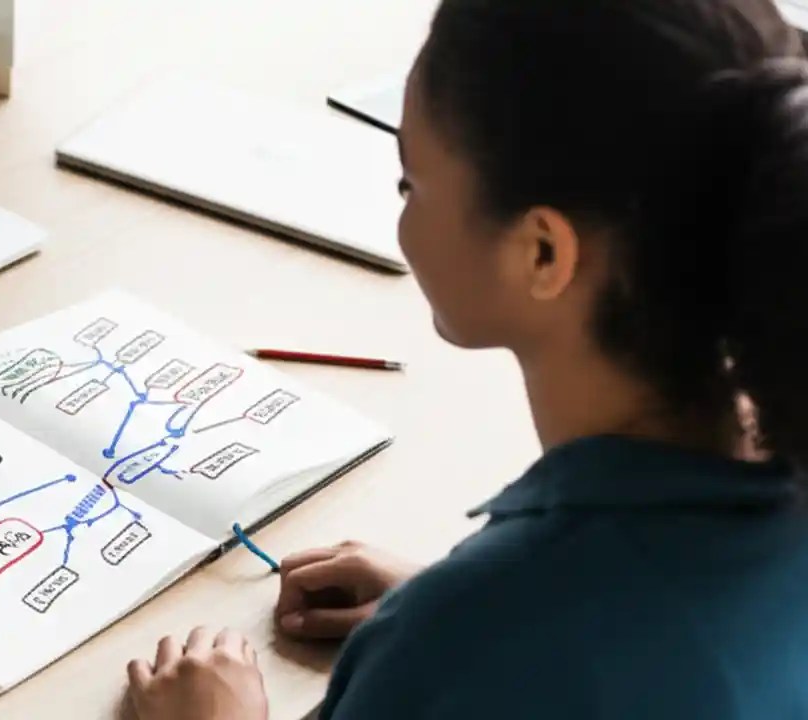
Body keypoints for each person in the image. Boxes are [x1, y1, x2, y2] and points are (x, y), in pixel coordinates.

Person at [121, 0, 808, 717]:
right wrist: (475, 610)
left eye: (409, 183)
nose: (403, 218)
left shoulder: (454, 647)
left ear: (541, 252)